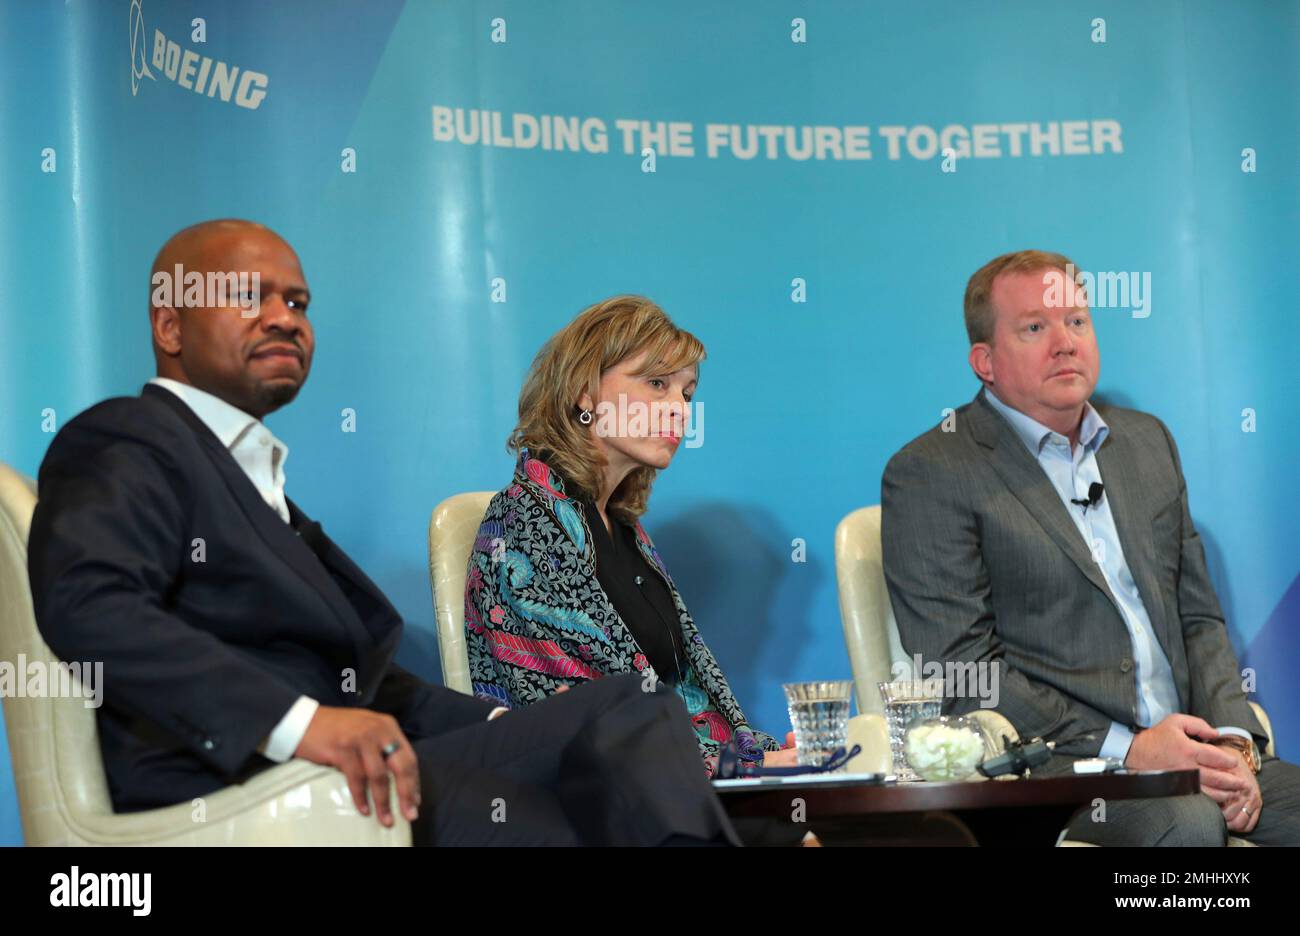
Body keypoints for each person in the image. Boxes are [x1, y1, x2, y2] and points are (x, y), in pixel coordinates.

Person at [27, 220, 740, 846]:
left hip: (355, 760)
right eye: (250, 296)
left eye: (297, 302)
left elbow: (373, 686)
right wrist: (301, 723)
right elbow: (91, 608)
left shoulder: (258, 482)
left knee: (621, 711)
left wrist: (506, 727)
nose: (284, 317)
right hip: (234, 779)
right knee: (599, 770)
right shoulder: (124, 439)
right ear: (170, 326)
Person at [881, 249, 1300, 845]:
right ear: (985, 362)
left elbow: (1198, 618)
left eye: (1077, 321)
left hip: (1192, 755)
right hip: (1060, 775)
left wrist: (1232, 745)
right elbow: (962, 668)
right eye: (1034, 327)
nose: (1065, 343)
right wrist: (1130, 748)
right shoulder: (932, 471)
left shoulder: (1146, 442)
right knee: (1187, 827)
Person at [464, 296, 796, 776]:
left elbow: (682, 703)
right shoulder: (524, 524)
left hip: (670, 796)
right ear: (583, 390)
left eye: (687, 393)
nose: (679, 410)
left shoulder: (621, 526)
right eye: (657, 383)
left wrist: (764, 757)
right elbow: (579, 729)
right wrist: (744, 770)